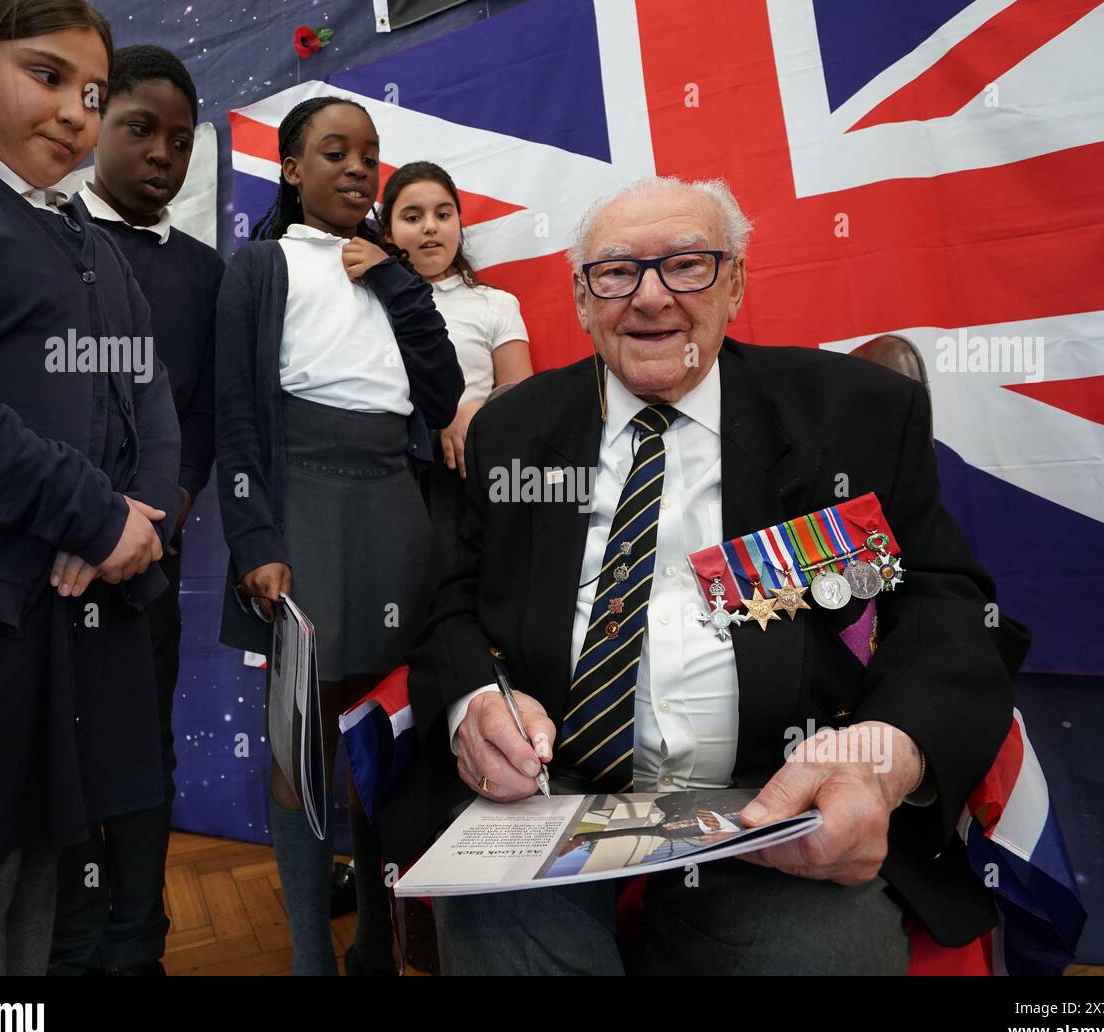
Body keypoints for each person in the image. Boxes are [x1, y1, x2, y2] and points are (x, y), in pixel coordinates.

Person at [390, 176, 1028, 975]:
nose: (650, 298)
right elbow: (450, 599)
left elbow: (948, 607)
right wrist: (474, 700)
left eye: (687, 265)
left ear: (735, 283)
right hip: (556, 797)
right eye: (617, 272)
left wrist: (886, 755)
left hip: (776, 799)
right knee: (498, 940)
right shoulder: (513, 431)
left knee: (826, 960)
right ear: (582, 298)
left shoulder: (855, 414)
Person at [0, 0, 181, 975]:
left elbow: (151, 398)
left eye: (92, 93)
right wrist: (87, 510)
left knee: (44, 909)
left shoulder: (92, 241)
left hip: (77, 633)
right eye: (47, 76)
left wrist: (130, 516)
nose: (74, 112)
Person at [214, 97, 462, 975]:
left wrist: (394, 277)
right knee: (300, 734)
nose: (358, 168)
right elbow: (237, 415)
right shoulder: (258, 267)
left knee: (384, 730)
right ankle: (312, 954)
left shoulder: (393, 274)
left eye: (371, 155)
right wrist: (253, 539)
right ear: (291, 170)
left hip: (393, 507)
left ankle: (375, 948)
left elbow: (441, 394)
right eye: (334, 153)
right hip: (305, 507)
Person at [48, 44, 225, 977]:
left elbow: (197, 412)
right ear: (95, 127)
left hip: (146, 561)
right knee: (60, 756)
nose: (162, 153)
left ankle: (138, 943)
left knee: (140, 751)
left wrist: (163, 511)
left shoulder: (203, 271)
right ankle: (65, 951)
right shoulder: (48, 239)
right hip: (43, 557)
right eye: (139, 129)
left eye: (181, 139)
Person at [378, 161, 532, 571]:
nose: (430, 227)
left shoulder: (495, 303)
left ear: (459, 225)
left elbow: (523, 397)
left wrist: (471, 409)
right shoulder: (371, 303)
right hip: (395, 475)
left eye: (443, 215)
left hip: (471, 476)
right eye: (413, 217)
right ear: (388, 233)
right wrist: (438, 410)